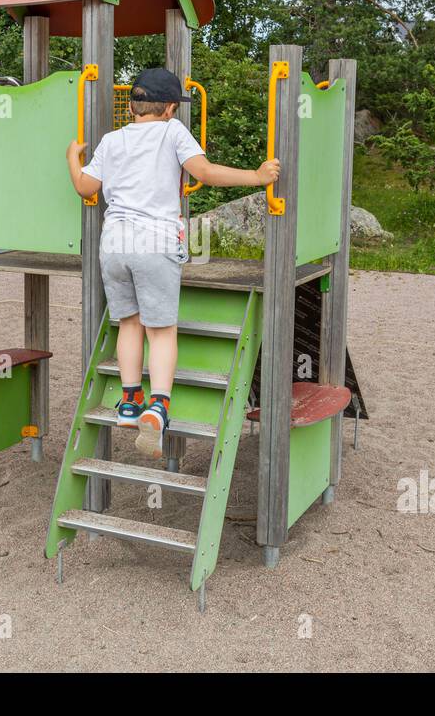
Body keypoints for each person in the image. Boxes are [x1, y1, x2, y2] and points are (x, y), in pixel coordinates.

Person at [66, 67, 280, 459]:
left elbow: (85, 187)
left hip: (113, 245)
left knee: (128, 323)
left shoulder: (111, 140)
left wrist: (71, 159)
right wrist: (257, 176)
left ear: (133, 106)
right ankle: (159, 407)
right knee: (160, 330)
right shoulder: (172, 132)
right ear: (168, 109)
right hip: (154, 243)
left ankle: (129, 402)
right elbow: (205, 173)